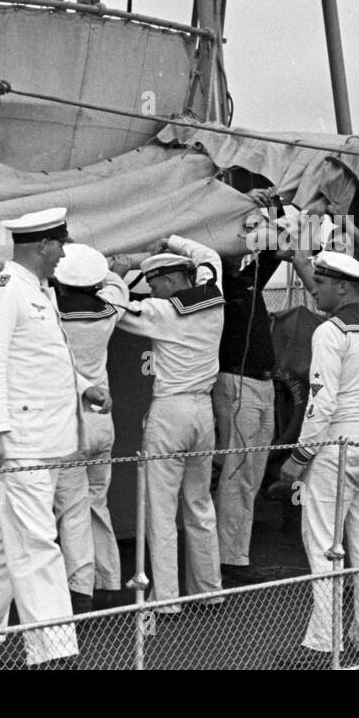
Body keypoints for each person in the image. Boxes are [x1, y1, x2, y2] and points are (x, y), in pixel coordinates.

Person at [0, 208, 111, 666]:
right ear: (42, 246)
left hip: (48, 440)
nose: (63, 253)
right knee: (38, 545)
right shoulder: (4, 294)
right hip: (21, 443)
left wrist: (85, 390)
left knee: (10, 541)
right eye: (59, 245)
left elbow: (42, 362)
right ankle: (55, 654)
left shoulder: (39, 293)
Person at [278, 251, 359, 666]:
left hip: (338, 445)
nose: (315, 290)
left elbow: (321, 402)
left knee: (325, 546)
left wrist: (300, 455)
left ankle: (322, 644)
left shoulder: (330, 332)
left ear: (343, 287)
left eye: (322, 283)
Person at [116, 235, 225, 613]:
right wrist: (174, 242)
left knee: (160, 509)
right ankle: (209, 590)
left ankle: (166, 600)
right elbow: (207, 255)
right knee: (199, 504)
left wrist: (117, 273)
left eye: (156, 283)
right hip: (203, 411)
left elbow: (114, 309)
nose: (153, 291)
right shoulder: (214, 292)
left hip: (170, 412)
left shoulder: (162, 313)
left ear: (172, 279)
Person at [52, 242, 129, 612]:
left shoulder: (51, 312)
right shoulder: (109, 309)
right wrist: (110, 267)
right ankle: (108, 579)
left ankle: (79, 589)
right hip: (102, 421)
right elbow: (117, 284)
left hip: (70, 422)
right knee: (97, 500)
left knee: (72, 508)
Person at [214, 189, 284, 585]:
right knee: (238, 472)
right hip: (239, 382)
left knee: (250, 474)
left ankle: (236, 550)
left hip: (260, 385)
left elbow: (275, 247)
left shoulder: (246, 282)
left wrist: (269, 208)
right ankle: (230, 557)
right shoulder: (225, 286)